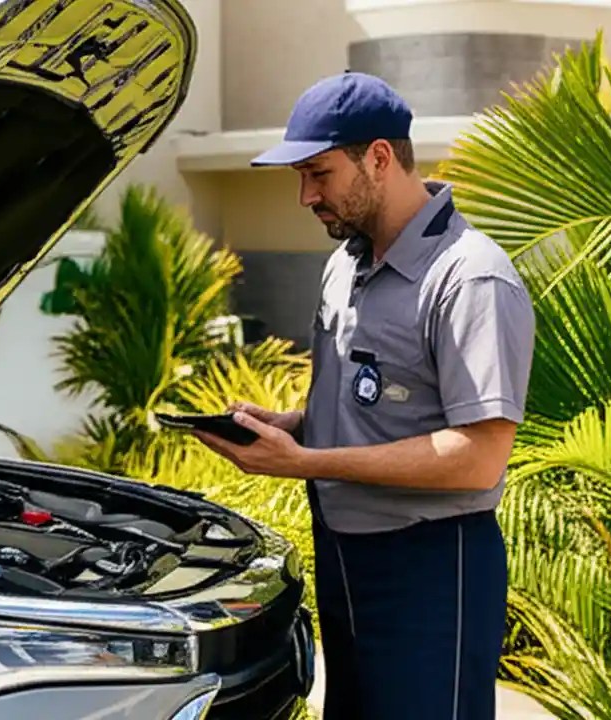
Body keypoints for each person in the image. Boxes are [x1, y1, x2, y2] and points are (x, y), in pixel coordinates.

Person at [191, 71, 535, 720]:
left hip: (432, 568)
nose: (304, 196)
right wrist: (288, 427)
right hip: (344, 560)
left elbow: (479, 457)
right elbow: (361, 408)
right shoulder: (344, 266)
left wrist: (308, 463)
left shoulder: (471, 278)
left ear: (379, 157)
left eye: (318, 174)